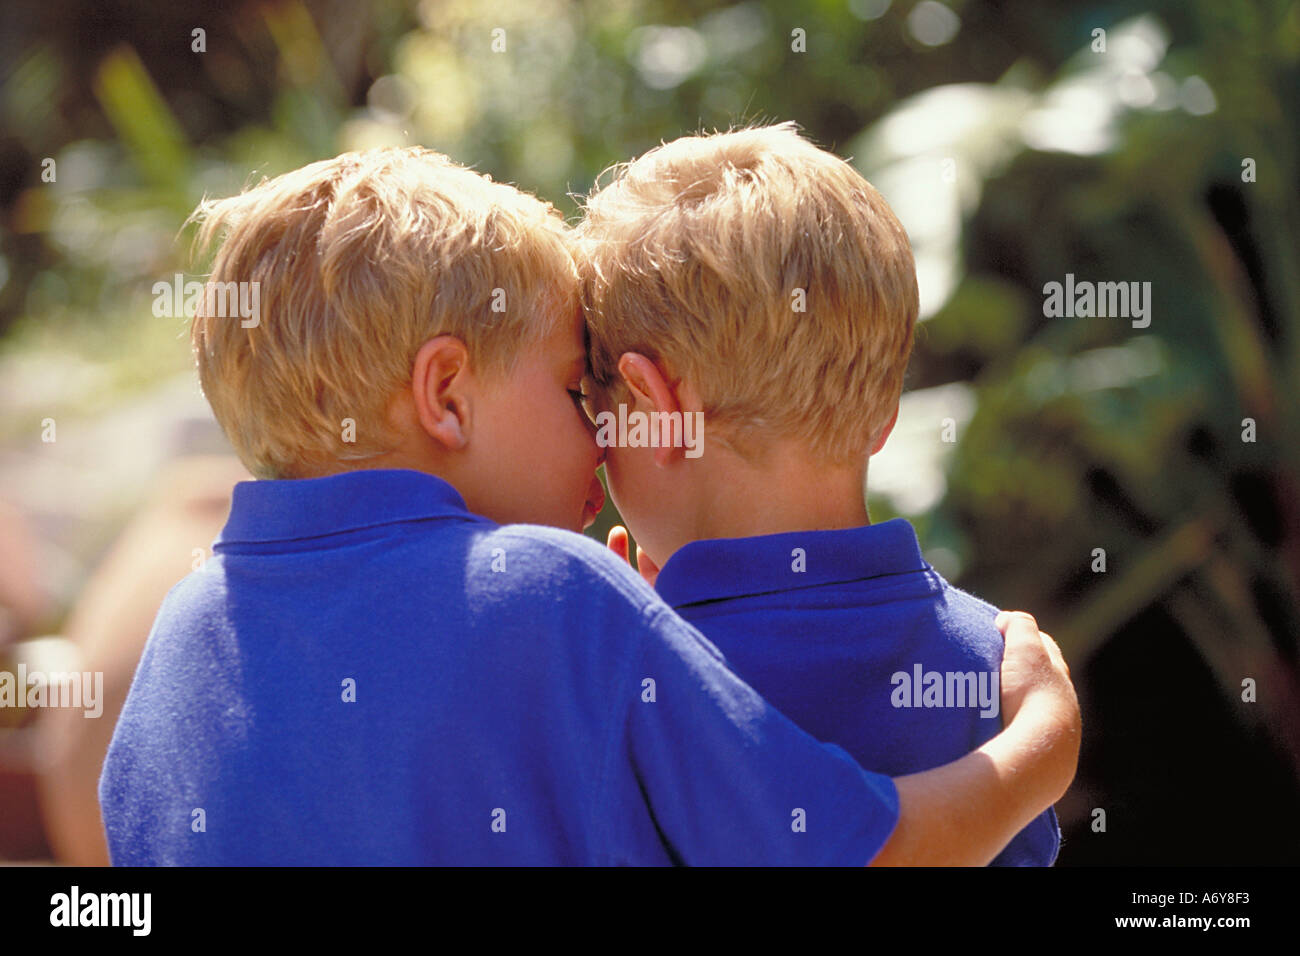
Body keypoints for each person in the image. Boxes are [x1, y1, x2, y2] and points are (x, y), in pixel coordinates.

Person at [100, 146, 1079, 865]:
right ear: (446, 394)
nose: (593, 432)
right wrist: (1042, 737)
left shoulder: (179, 637)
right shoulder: (557, 595)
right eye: (576, 385)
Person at [577, 123, 1059, 863]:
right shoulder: (993, 663)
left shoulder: (618, 680)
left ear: (651, 407)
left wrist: (659, 627)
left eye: (591, 401)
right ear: (885, 414)